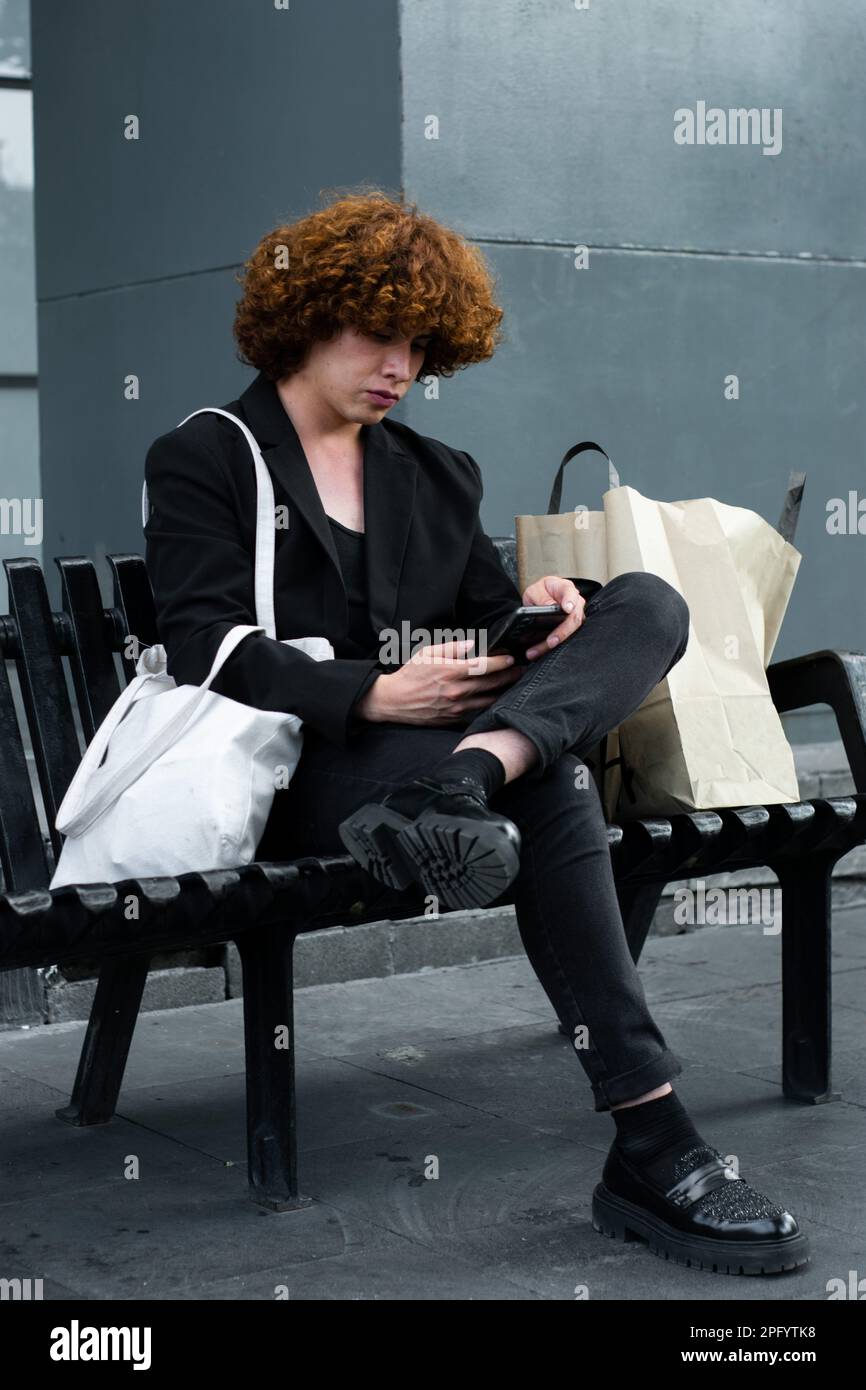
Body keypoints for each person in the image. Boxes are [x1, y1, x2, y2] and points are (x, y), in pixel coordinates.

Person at [144, 186, 809, 1277]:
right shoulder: (210, 454)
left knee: (648, 602)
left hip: (433, 757)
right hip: (299, 767)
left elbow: (479, 616)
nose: (400, 363)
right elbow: (202, 643)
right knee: (549, 785)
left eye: (417, 341)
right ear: (307, 316)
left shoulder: (431, 472)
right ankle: (653, 1144)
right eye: (377, 332)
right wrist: (369, 693)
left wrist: (539, 612)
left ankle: (463, 777)